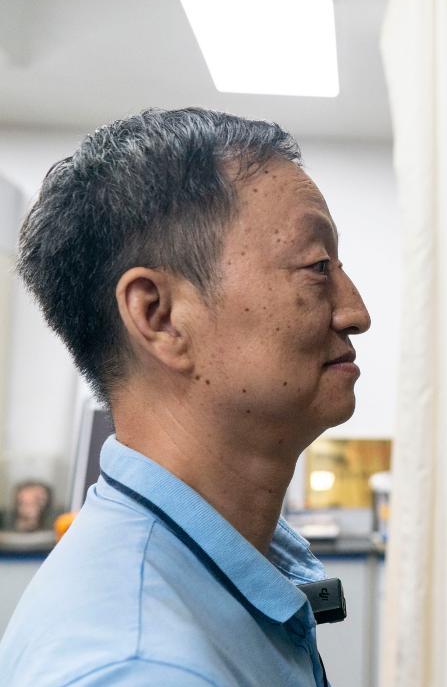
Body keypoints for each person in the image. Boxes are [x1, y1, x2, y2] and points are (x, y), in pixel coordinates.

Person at [0, 108, 370, 685]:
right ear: (160, 316)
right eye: (317, 266)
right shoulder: (139, 667)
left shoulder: (223, 558)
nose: (355, 312)